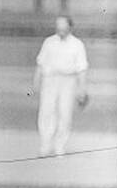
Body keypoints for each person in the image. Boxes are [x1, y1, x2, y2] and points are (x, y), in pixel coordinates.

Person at [33, 14, 89, 156]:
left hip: (68, 81)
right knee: (46, 111)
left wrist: (82, 89)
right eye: (59, 26)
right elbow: (40, 64)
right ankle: (45, 145)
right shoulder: (49, 42)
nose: (61, 29)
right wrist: (36, 83)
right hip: (50, 80)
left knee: (65, 113)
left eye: (64, 26)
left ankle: (60, 147)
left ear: (70, 27)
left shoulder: (77, 45)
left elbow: (81, 69)